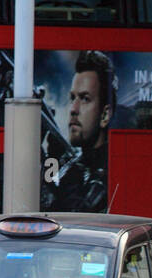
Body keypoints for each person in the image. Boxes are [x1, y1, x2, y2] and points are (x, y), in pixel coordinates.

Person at [50, 51, 114, 213]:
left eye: (85, 99)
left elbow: (77, 214)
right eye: (73, 98)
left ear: (105, 115)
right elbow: (46, 203)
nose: (73, 109)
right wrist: (50, 158)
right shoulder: (73, 161)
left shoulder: (107, 169)